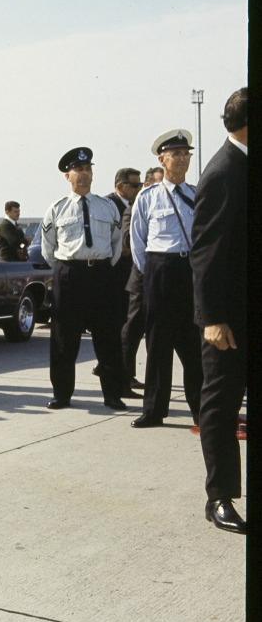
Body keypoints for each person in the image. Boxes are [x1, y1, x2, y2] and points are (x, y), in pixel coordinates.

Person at [190, 88, 247, 533]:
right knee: (221, 405)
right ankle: (219, 497)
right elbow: (205, 251)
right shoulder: (223, 172)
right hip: (228, 320)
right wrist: (210, 318)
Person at [39, 147, 126, 411]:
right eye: (79, 170)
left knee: (108, 337)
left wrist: (98, 266)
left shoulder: (107, 206)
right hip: (69, 276)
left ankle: (112, 395)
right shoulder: (57, 209)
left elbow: (115, 243)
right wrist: (70, 268)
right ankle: (62, 395)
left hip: (101, 274)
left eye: (88, 169)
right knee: (64, 338)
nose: (85, 174)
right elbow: (48, 249)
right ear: (68, 176)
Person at [128, 130, 203, 430]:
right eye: (176, 154)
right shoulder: (148, 197)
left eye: (187, 154)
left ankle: (200, 410)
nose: (183, 159)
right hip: (160, 271)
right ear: (162, 159)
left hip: (191, 271)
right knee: (158, 345)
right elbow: (137, 241)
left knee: (193, 346)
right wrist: (153, 275)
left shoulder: (198, 195)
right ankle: (154, 411)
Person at [102, 167, 143, 395]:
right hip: (115, 276)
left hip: (130, 275)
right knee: (121, 327)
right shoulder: (108, 205)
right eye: (134, 185)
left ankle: (127, 374)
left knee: (129, 328)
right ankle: (118, 375)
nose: (138, 189)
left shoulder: (134, 205)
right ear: (120, 186)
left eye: (140, 185)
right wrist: (120, 249)